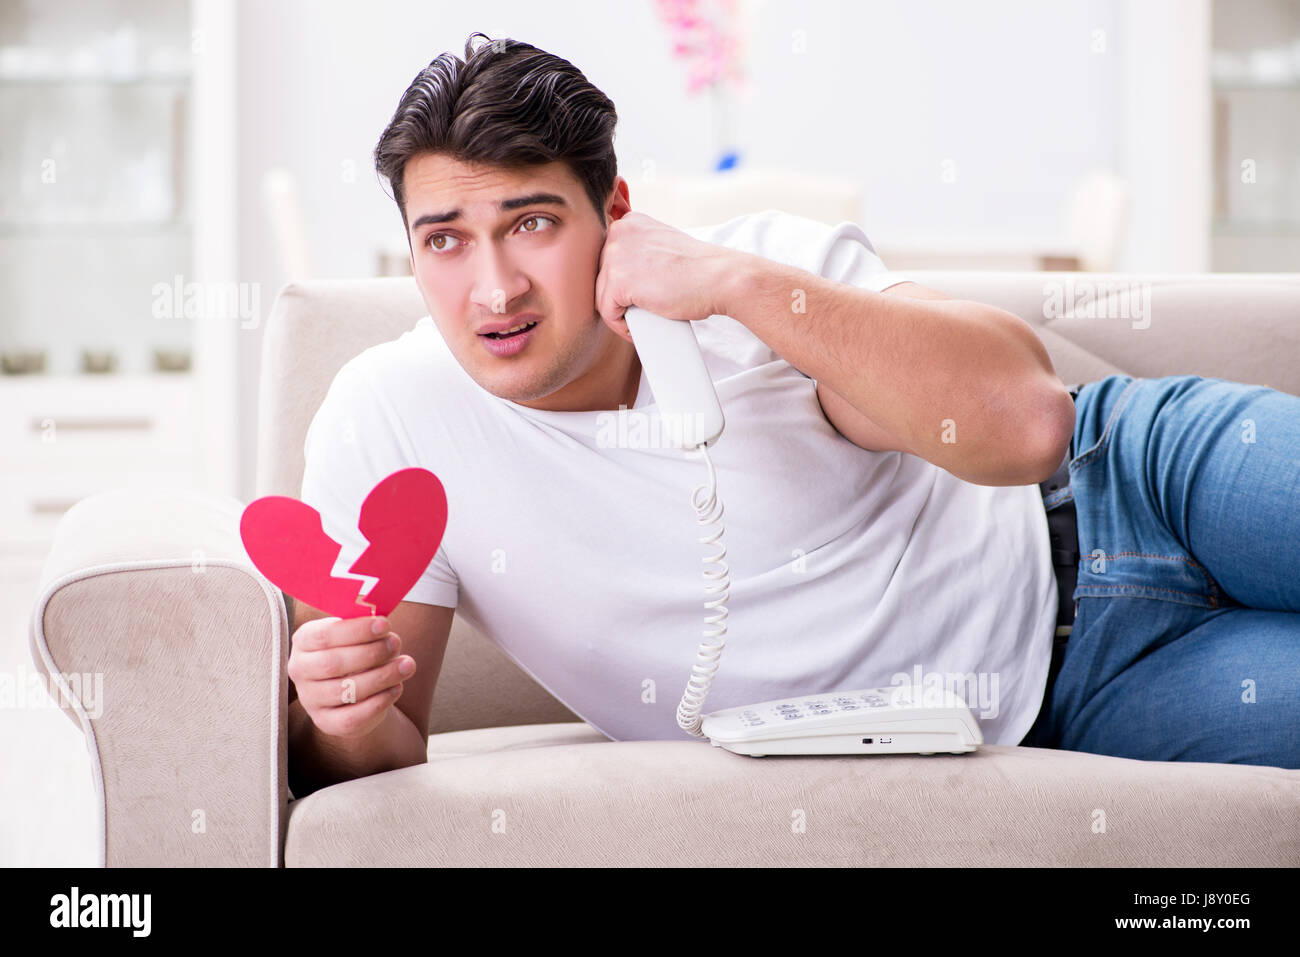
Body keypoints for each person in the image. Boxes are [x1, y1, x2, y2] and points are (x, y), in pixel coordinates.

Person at [289, 34, 1297, 794]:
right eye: (447, 241)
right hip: (1074, 686)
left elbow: (1030, 425)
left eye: (534, 223)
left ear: (616, 214)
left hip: (1145, 474)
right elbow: (375, 758)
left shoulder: (758, 273)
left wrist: (737, 284)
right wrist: (343, 712)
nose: (495, 287)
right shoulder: (390, 423)